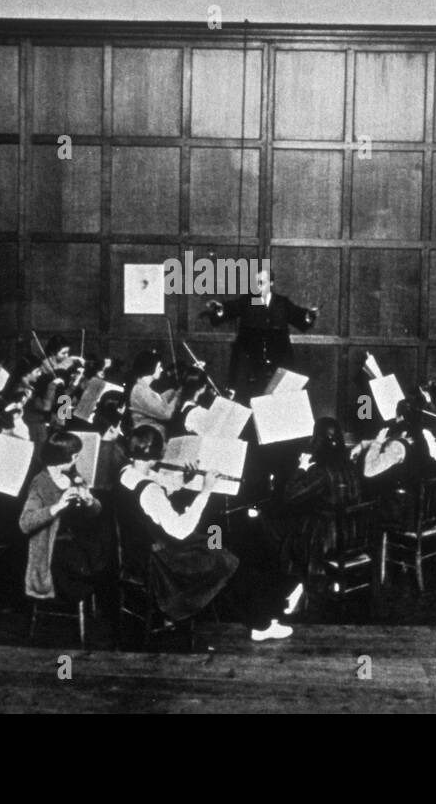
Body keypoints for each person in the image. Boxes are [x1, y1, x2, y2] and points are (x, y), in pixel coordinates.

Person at [120, 426, 300, 641]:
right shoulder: (151, 491)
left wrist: (184, 480)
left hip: (143, 552)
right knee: (226, 556)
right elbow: (180, 530)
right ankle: (261, 624)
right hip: (167, 560)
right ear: (156, 452)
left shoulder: (126, 474)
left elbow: (154, 492)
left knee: (218, 545)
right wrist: (206, 490)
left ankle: (263, 606)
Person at [19, 432, 109, 603]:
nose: (77, 460)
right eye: (75, 456)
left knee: (103, 547)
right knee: (91, 561)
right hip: (54, 547)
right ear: (62, 458)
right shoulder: (40, 483)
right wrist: (57, 506)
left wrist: (90, 501)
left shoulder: (73, 476)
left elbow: (95, 512)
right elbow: (25, 523)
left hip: (75, 538)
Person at [267, 417, 361, 580]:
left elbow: (289, 496)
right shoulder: (350, 465)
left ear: (317, 440)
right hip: (353, 536)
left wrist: (302, 468)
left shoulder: (321, 471)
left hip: (326, 544)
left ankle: (289, 578)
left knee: (272, 518)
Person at [205, 267, 318, 402]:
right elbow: (230, 309)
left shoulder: (281, 303)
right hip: (252, 364)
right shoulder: (250, 300)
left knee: (278, 400)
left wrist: (309, 316)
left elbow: (300, 317)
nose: (258, 286)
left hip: (278, 361)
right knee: (251, 397)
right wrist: (219, 309)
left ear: (271, 283)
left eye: (262, 282)